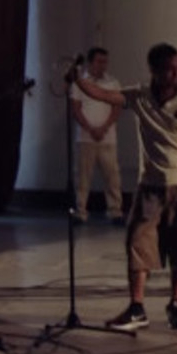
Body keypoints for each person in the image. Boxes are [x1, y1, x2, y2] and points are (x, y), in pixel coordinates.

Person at [68, 43, 177, 331]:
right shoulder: (140, 96)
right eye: (169, 68)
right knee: (138, 242)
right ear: (154, 70)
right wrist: (76, 79)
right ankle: (137, 308)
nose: (175, 73)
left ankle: (175, 303)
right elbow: (102, 94)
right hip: (150, 185)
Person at [69, 47, 123, 224]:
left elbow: (117, 108)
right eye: (99, 61)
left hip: (107, 137)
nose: (103, 65)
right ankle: (80, 210)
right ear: (90, 62)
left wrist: (104, 127)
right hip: (85, 137)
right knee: (83, 177)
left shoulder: (113, 83)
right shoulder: (80, 82)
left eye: (105, 61)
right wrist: (90, 128)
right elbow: (76, 109)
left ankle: (115, 211)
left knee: (112, 176)